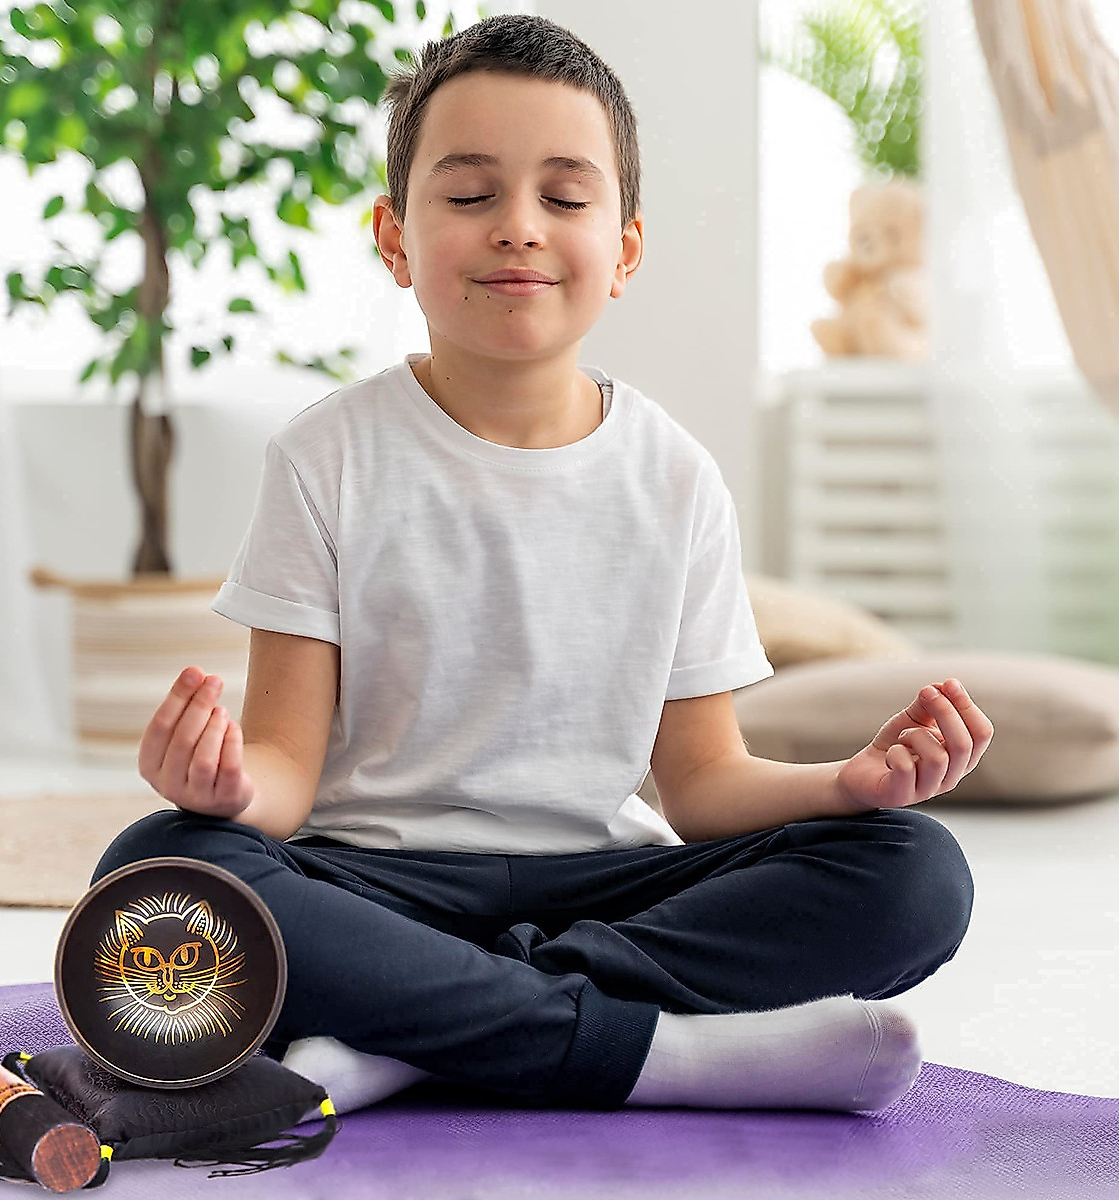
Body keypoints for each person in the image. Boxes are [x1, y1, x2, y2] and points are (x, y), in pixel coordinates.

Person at [93, 12, 990, 1117]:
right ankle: (661, 1053)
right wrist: (225, 792)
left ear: (623, 250)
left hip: (607, 889)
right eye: (470, 197)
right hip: (379, 884)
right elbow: (284, 762)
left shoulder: (676, 475)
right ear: (395, 239)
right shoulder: (325, 455)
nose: (518, 228)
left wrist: (846, 787)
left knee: (915, 873)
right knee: (164, 870)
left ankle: (419, 1038)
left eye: (564, 199)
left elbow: (703, 785)